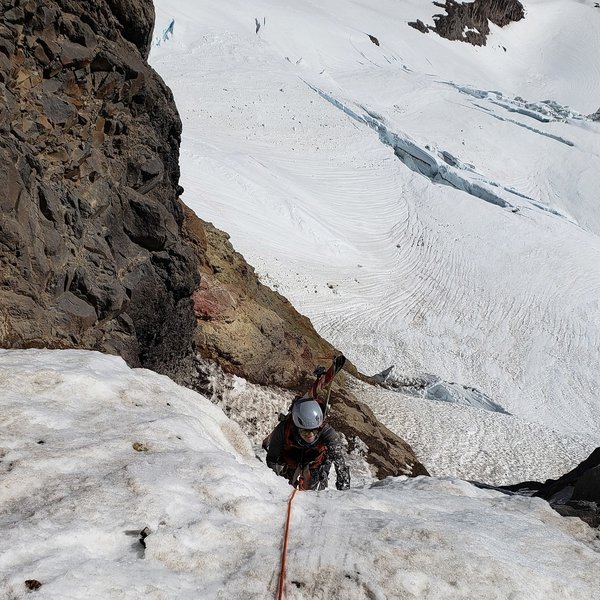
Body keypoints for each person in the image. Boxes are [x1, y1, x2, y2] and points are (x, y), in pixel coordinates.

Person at [264, 396, 350, 491]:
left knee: (314, 495)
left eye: (314, 431)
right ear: (296, 428)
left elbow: (339, 462)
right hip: (289, 463)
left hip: (315, 467)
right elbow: (272, 459)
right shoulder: (283, 429)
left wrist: (343, 489)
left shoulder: (327, 433)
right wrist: (275, 482)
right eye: (305, 431)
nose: (310, 435)